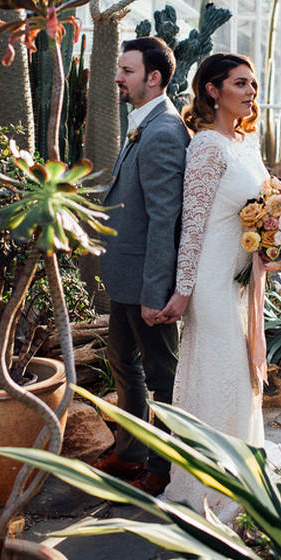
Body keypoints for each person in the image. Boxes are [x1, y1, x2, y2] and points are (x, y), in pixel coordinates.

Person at [157, 52, 269, 520]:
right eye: (240, 83)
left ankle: (240, 473)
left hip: (241, 282)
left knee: (240, 379)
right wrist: (182, 291)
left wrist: (276, 241)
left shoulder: (245, 142)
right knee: (221, 377)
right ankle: (208, 488)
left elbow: (263, 208)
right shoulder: (205, 147)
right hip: (209, 282)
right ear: (212, 89)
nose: (250, 92)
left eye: (252, 85)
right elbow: (193, 227)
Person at [97, 36, 190, 497]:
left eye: (127, 70)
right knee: (121, 361)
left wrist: (156, 292)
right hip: (125, 278)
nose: (118, 77)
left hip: (144, 283)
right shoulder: (143, 123)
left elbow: (164, 218)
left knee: (162, 375)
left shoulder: (162, 133)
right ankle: (131, 451)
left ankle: (163, 465)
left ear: (153, 78)